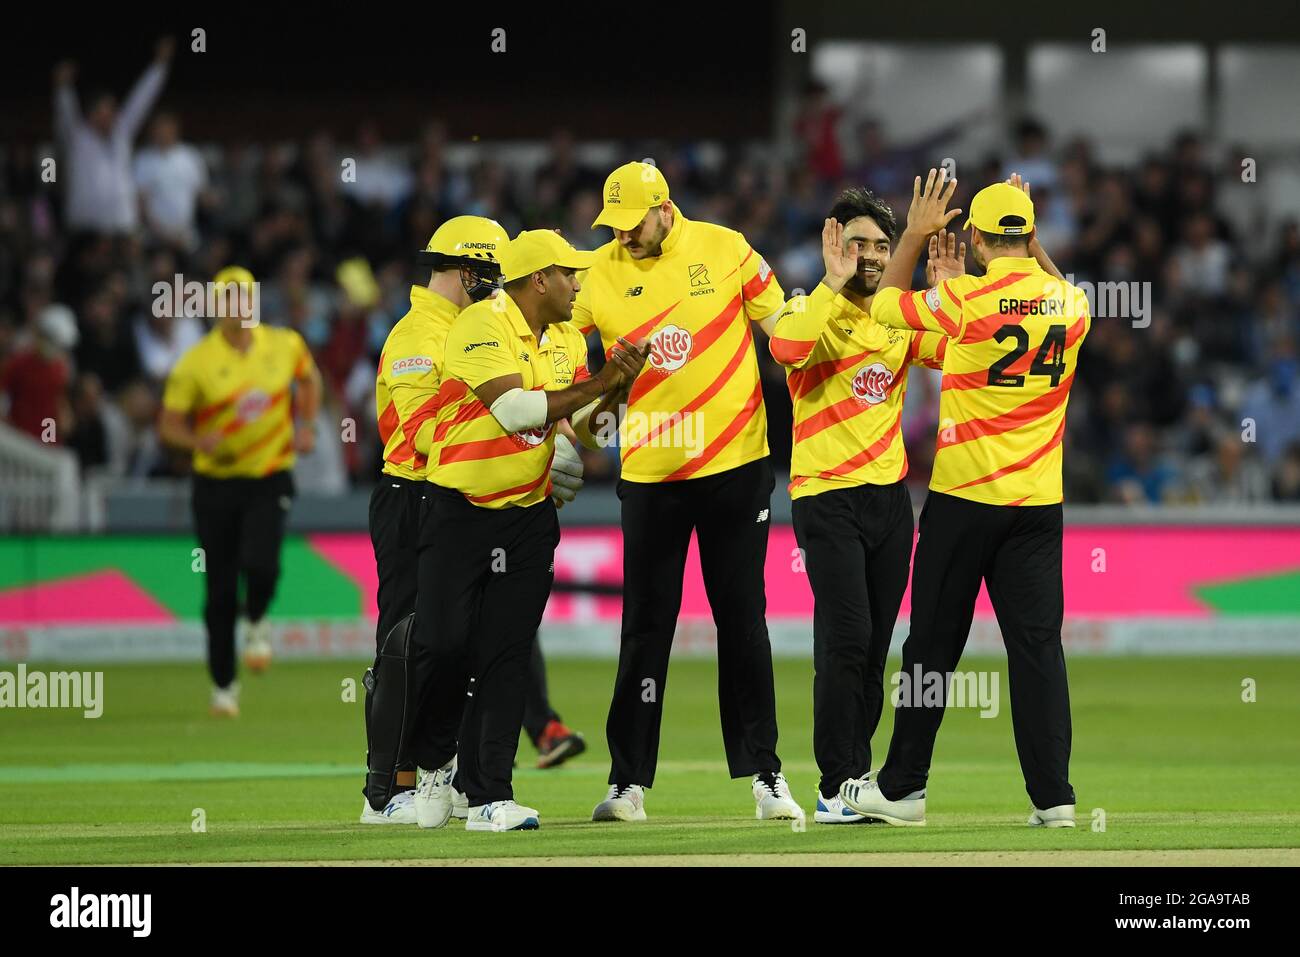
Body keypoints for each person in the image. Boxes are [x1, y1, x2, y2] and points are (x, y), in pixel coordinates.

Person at [839, 171, 1088, 828]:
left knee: (932, 647)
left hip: (963, 501)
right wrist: (1025, 242)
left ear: (974, 240)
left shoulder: (966, 304)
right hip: (1036, 507)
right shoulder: (1072, 305)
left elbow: (884, 306)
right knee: (1038, 648)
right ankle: (1054, 796)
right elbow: (1051, 289)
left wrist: (917, 234)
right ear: (1032, 238)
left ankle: (902, 788)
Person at [574, 162, 804, 823]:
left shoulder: (726, 247)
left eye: (631, 223)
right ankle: (627, 782)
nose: (623, 236)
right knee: (645, 626)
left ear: (664, 209)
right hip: (649, 474)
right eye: (611, 225)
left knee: (742, 622)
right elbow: (560, 337)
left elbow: (783, 325)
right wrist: (566, 414)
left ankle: (766, 773)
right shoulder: (597, 272)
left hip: (736, 466)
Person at [409, 229, 647, 831]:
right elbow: (514, 411)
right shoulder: (480, 325)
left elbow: (592, 434)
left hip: (527, 516)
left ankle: (490, 795)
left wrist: (620, 387)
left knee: (506, 654)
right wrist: (598, 385)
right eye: (570, 274)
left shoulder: (567, 337)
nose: (580, 284)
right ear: (538, 279)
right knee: (442, 645)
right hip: (459, 507)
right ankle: (434, 765)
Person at [361, 218, 586, 826]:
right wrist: (513, 443)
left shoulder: (469, 329)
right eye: (493, 278)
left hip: (459, 497)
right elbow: (419, 434)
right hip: (418, 494)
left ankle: (448, 778)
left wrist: (546, 446)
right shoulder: (418, 335)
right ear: (471, 274)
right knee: (411, 641)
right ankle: (386, 789)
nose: (500, 291)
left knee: (466, 643)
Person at [767, 190, 957, 823]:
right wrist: (831, 281)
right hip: (825, 495)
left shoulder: (894, 318)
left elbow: (960, 359)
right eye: (858, 244)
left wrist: (949, 300)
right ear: (833, 243)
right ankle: (834, 783)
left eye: (882, 246)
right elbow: (786, 351)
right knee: (845, 638)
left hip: (889, 500)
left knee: (875, 645)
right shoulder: (807, 308)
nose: (872, 255)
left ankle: (854, 778)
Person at [158, 266, 322, 716]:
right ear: (215, 307)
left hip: (270, 474)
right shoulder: (196, 363)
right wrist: (195, 441)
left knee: (262, 563)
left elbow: (309, 379)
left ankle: (257, 618)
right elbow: (168, 425)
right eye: (229, 299)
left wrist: (306, 425)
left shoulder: (284, 344)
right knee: (219, 589)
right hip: (216, 483)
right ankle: (224, 686)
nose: (239, 307)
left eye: (244, 298)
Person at [53, 38, 173, 235]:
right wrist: (62, 88)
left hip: (122, 226)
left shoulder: (121, 133)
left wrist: (159, 66)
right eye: (105, 111)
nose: (111, 116)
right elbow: (65, 113)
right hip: (85, 229)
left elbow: (141, 100)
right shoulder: (77, 138)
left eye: (113, 110)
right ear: (91, 114)